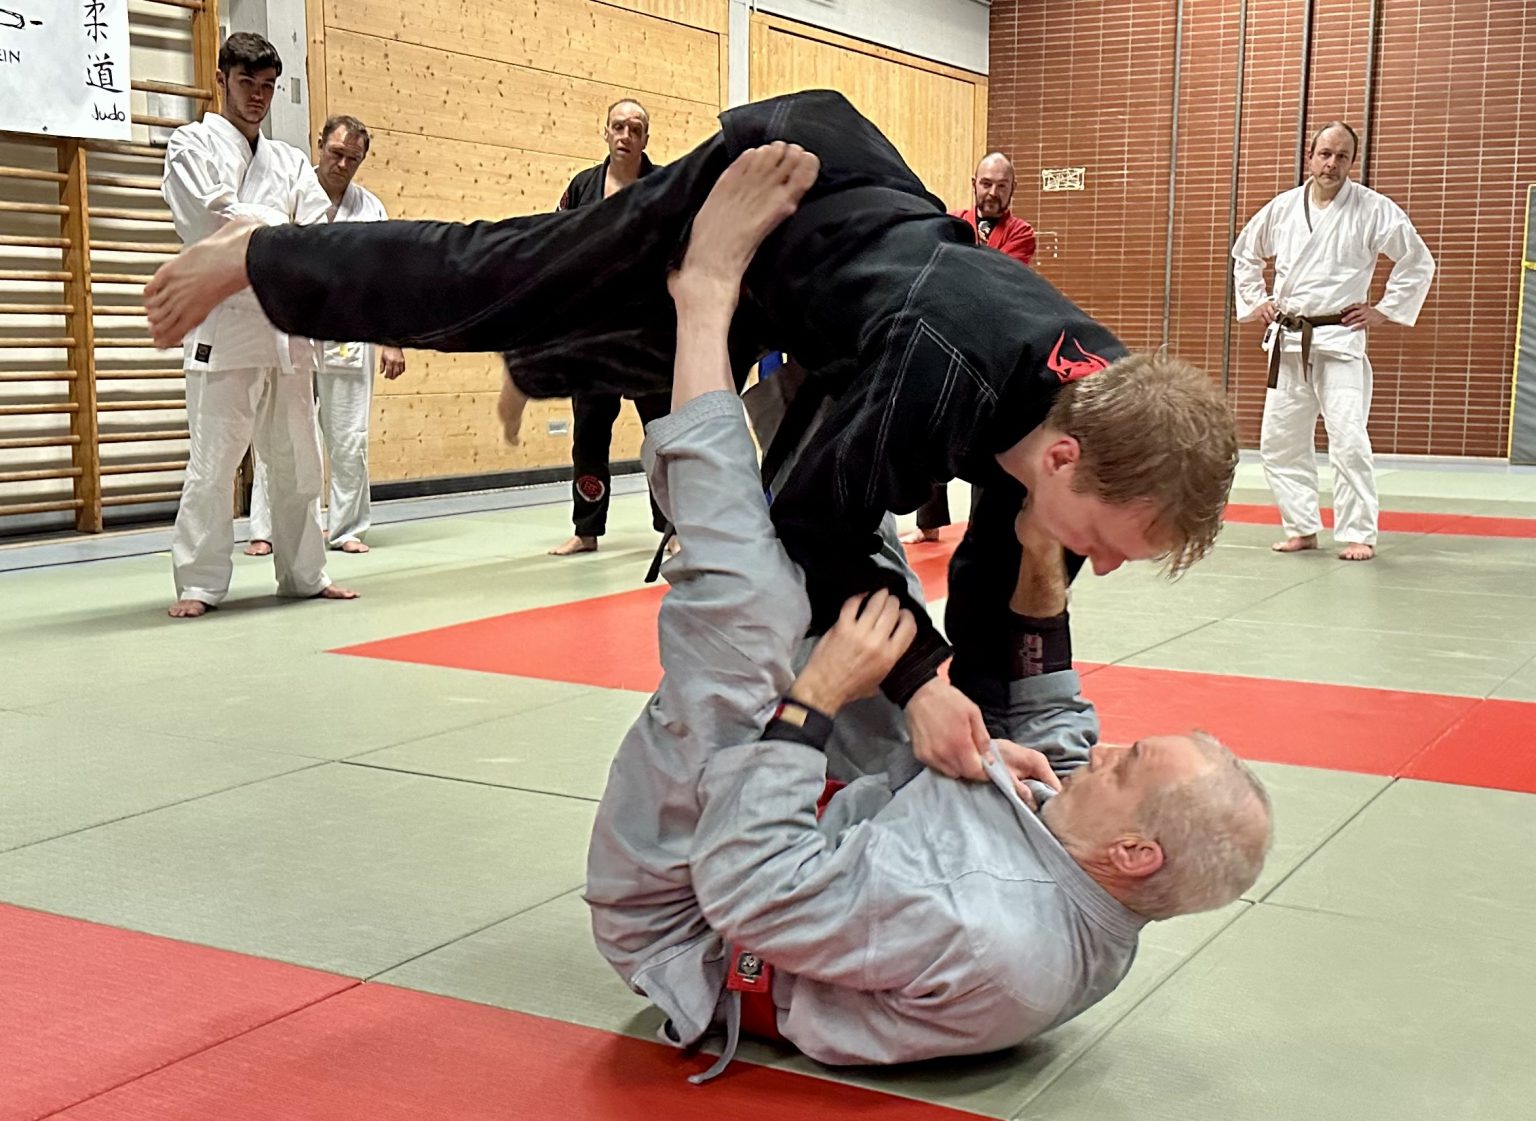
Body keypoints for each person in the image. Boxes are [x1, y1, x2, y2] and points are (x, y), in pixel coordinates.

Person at [144, 90, 1235, 778]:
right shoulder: (935, 370)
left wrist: (1012, 752)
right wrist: (921, 687)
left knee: (1023, 550)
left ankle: (548, 363)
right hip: (776, 202)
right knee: (511, 280)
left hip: (848, 294)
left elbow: (1013, 580)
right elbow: (809, 533)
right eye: (1113, 537)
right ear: (1062, 456)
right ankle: (261, 255)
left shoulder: (1106, 409)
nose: (1109, 558)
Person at [583, 147, 1273, 1076]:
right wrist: (1038, 554)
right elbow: (1057, 719)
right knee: (870, 581)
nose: (1108, 748)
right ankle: (817, 384)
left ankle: (702, 295)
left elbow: (748, 887)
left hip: (690, 902)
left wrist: (814, 697)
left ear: (1138, 851)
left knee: (752, 604)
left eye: (1130, 764)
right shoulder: (1096, 843)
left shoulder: (985, 926)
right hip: (849, 817)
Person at [158, 32, 355, 617]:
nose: (259, 98)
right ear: (222, 80)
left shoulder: (291, 159)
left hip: (288, 334)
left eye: (269, 88)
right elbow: (211, 224)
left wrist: (272, 233)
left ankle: (305, 573)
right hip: (225, 327)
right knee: (214, 462)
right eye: (247, 84)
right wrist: (279, 229)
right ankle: (198, 584)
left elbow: (317, 233)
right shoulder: (190, 146)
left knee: (299, 463)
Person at [1233, 120, 1435, 562]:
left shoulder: (1373, 209)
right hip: (1288, 340)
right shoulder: (1283, 208)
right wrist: (1257, 301)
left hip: (1341, 340)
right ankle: (1301, 527)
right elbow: (1245, 254)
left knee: (1348, 439)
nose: (1331, 163)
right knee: (1280, 440)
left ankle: (1359, 532)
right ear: (1310, 156)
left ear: (1351, 162)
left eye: (1342, 156)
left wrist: (1383, 310)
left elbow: (1417, 260)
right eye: (1325, 153)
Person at [247, 114, 407, 557]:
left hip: (349, 335)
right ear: (319, 145)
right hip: (292, 330)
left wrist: (391, 339)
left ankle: (346, 528)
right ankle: (265, 528)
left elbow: (384, 281)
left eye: (353, 158)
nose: (342, 164)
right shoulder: (288, 195)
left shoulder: (370, 208)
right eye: (336, 153)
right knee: (280, 432)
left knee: (349, 437)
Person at [548, 98, 673, 557]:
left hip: (648, 335)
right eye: (618, 126)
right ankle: (586, 529)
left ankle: (672, 526)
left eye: (635, 128)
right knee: (589, 435)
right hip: (593, 335)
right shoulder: (583, 187)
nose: (625, 135)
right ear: (605, 132)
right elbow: (557, 248)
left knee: (663, 435)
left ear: (645, 138)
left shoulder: (663, 186)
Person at [904, 151, 1038, 545]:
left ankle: (983, 527)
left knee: (988, 437)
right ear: (974, 183)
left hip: (995, 347)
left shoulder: (1022, 232)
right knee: (931, 430)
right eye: (986, 183)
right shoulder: (951, 223)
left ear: (1012, 188)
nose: (992, 192)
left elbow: (998, 277)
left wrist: (964, 266)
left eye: (1001, 185)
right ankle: (928, 523)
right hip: (948, 339)